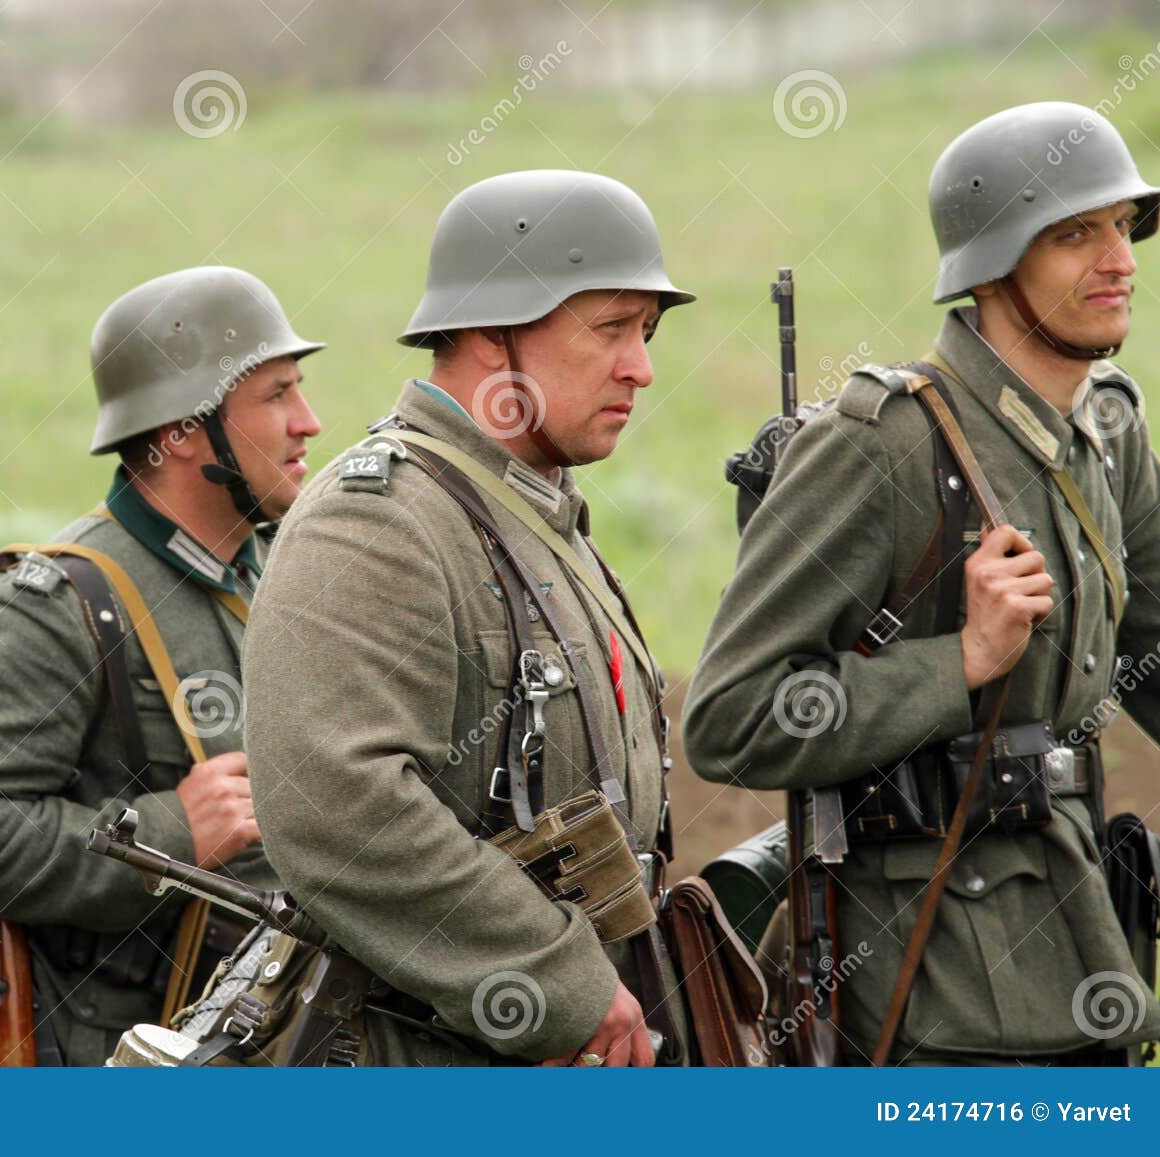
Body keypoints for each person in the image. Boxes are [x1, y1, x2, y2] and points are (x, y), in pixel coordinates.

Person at [686, 102, 1160, 1064]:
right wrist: (963, 662)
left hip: (1085, 943)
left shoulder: (1108, 428)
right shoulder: (883, 446)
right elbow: (730, 716)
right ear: (992, 267)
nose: (1122, 259)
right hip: (932, 989)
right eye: (1077, 234)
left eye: (1123, 225)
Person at [243, 170, 693, 1066]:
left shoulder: (526, 506)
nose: (640, 365)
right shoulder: (381, 515)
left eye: (644, 332)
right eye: (609, 328)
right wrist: (559, 982)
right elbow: (332, 805)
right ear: (492, 334)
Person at [0, 266, 323, 1064]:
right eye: (278, 395)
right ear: (185, 430)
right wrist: (168, 831)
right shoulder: (62, 605)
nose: (309, 422)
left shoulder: (264, 576)